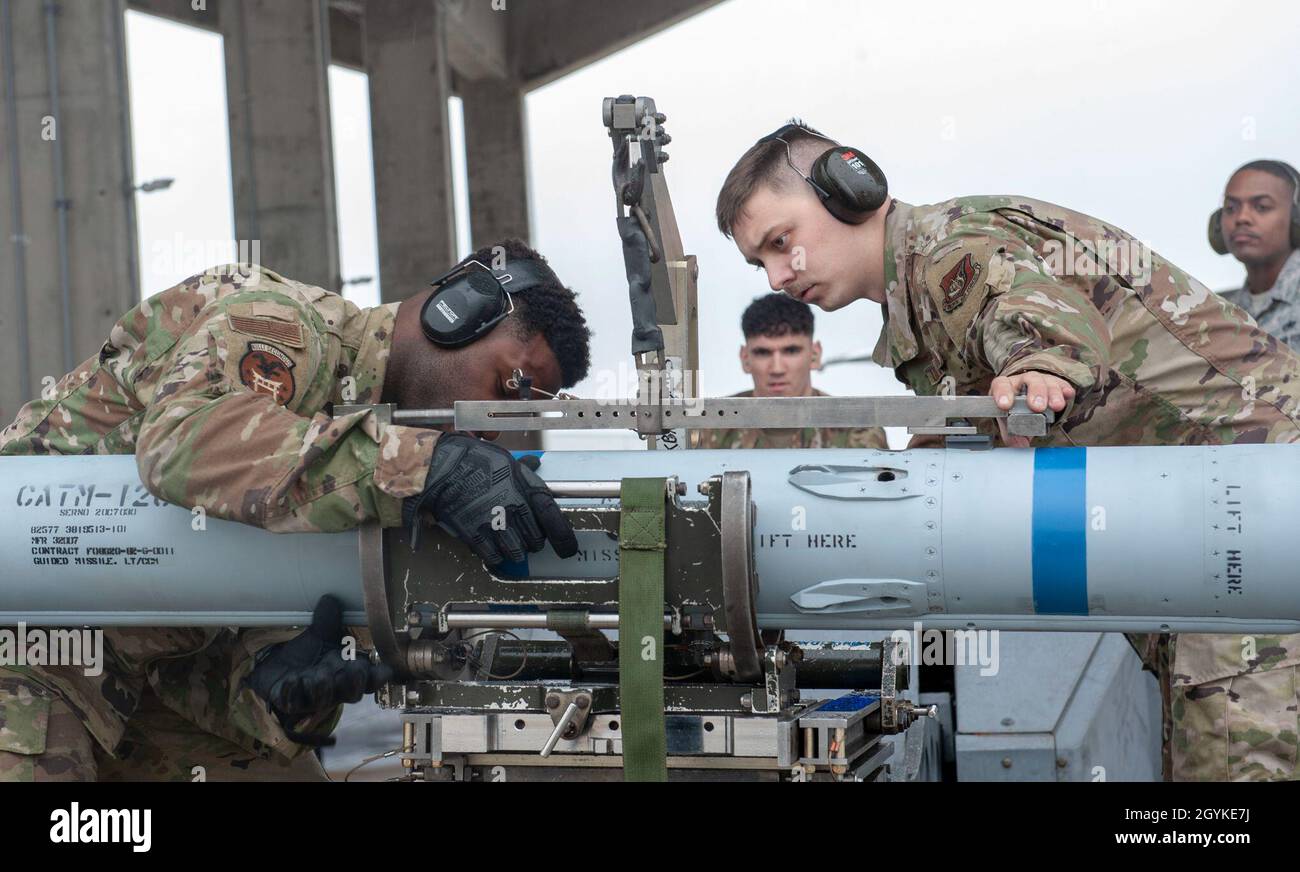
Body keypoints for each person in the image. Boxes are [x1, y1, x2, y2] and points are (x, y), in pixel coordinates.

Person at [713, 120, 1300, 781]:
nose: (775, 275)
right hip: (1204, 556)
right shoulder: (918, 297)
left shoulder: (949, 251)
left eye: (780, 242)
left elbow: (1027, 315)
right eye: (757, 261)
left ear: (848, 190)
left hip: (1254, 532)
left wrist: (1037, 368)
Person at [0, 238, 590, 781]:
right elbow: (181, 443)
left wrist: (279, 691)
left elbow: (201, 661)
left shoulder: (377, 476)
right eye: (510, 386)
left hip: (122, 677)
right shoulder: (289, 326)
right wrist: (423, 466)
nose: (493, 431)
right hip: (24, 631)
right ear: (459, 312)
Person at [693, 293, 887, 450]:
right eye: (763, 353)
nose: (777, 368)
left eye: (791, 351)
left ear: (814, 355)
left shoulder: (856, 431)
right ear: (745, 359)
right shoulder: (711, 429)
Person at [1213, 160, 1300, 347]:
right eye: (1230, 208)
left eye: (1261, 207)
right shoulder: (1215, 313)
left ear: (1296, 218)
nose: (1242, 218)